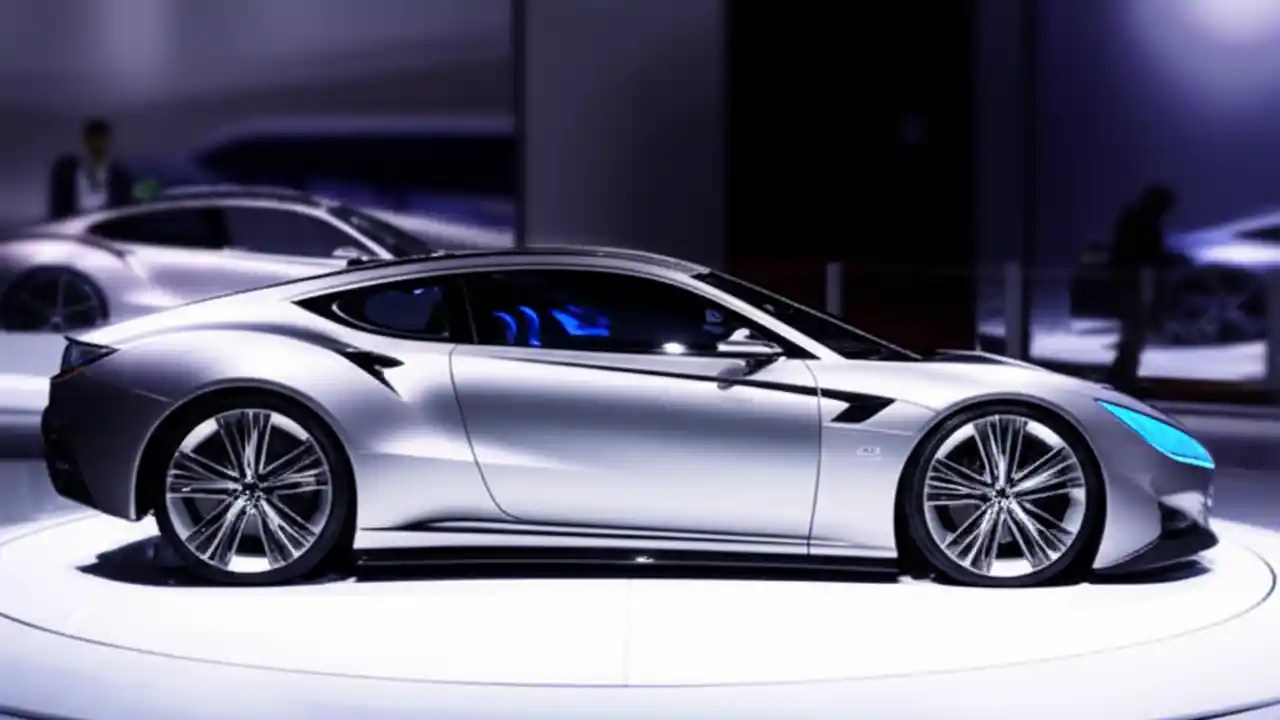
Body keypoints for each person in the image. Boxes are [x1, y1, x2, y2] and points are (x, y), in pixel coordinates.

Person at [1106, 184, 1176, 393]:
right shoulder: (1143, 222)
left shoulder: (1136, 219)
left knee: (1133, 334)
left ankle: (1123, 377)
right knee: (1134, 334)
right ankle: (1123, 379)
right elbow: (1146, 252)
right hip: (1133, 281)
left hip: (1131, 280)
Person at [47, 117, 134, 220]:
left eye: (101, 141)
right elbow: (58, 206)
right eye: (94, 141)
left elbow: (124, 208)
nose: (97, 145)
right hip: (74, 227)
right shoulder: (67, 171)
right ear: (86, 142)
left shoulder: (119, 175)